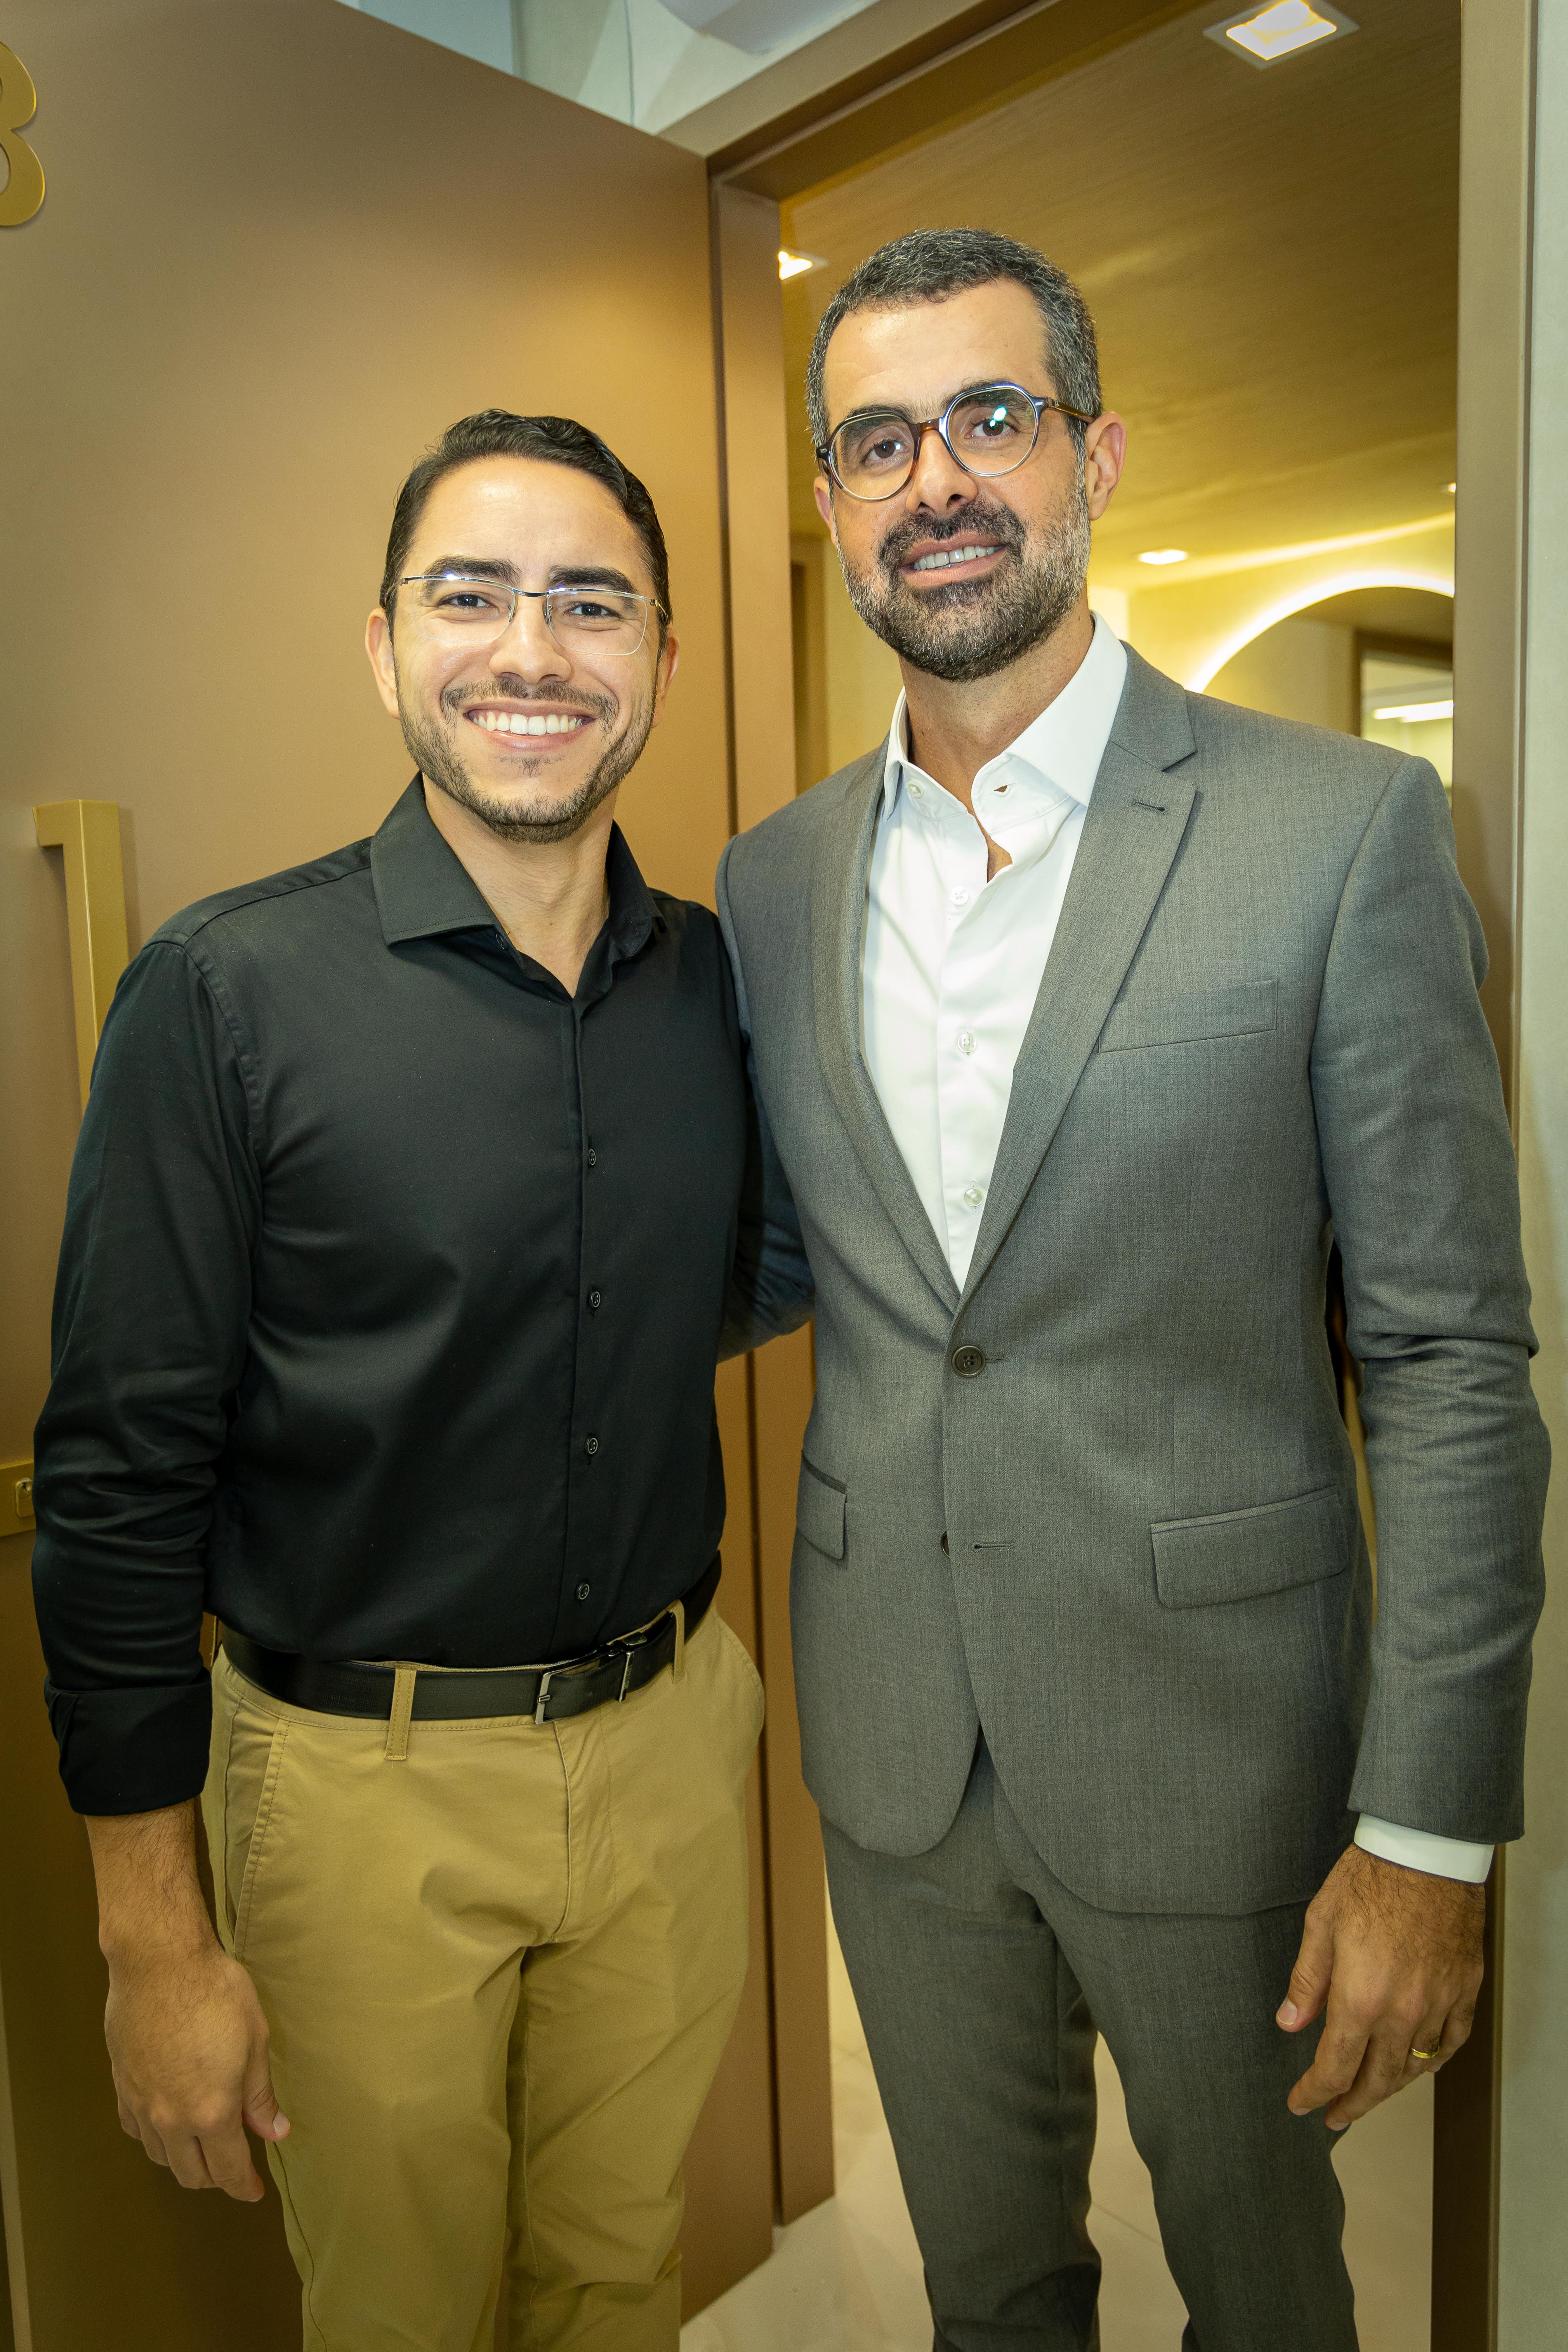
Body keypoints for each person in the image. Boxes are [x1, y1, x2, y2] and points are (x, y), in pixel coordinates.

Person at [717, 229, 1549, 2348]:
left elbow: (1449, 1356)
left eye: (988, 418)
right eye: (878, 442)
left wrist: (1428, 1828)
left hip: (1220, 1752)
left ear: (1091, 457)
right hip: (895, 1745)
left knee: (1266, 2305)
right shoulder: (771, 878)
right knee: (986, 2295)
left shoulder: (1338, 832)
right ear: (830, 503)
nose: (934, 479)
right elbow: (789, 1255)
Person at [32, 408, 803, 2352]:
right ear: (385, 647)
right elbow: (120, 1474)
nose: (531, 651)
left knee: (618, 2282)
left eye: (590, 604)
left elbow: (717, 1281)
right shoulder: (224, 993)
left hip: (667, 1741)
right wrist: (152, 1942)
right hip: (353, 1790)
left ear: (659, 660)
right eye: (470, 597)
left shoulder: (720, 986)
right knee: (401, 2318)